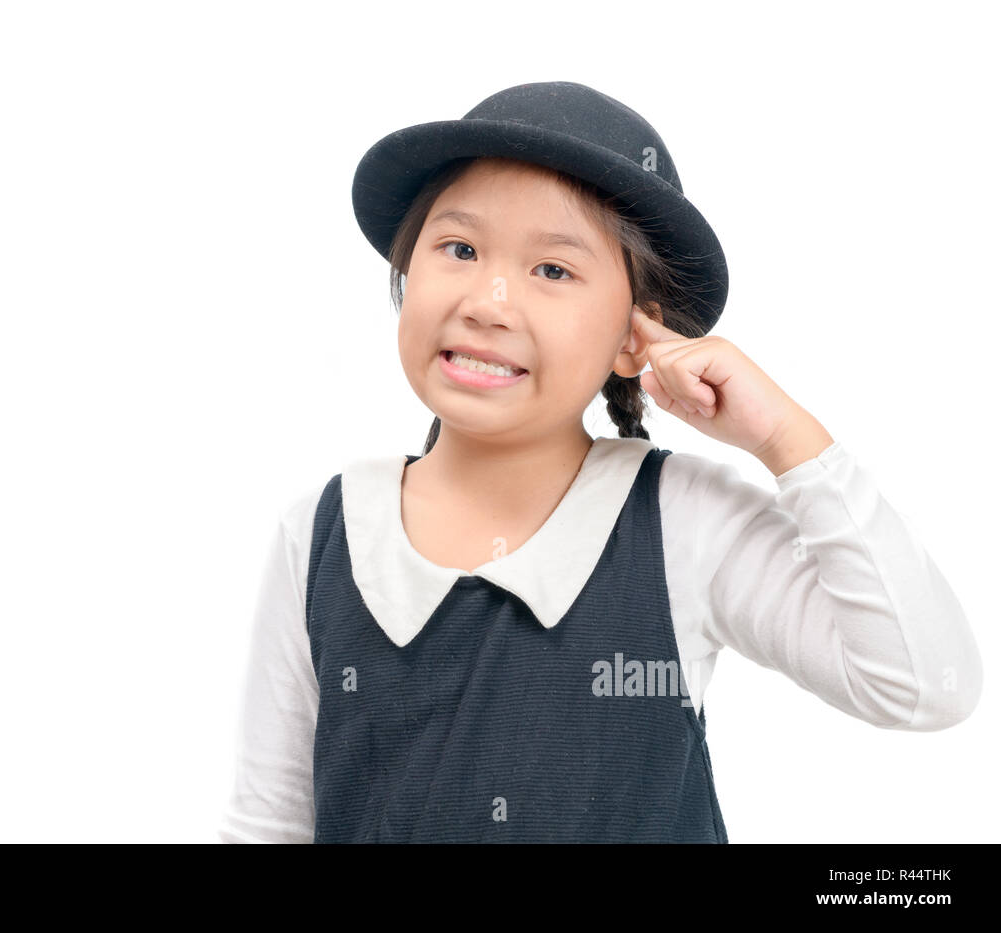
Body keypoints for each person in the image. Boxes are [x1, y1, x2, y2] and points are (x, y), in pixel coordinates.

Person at [217, 82, 984, 843]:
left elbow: (923, 684)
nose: (488, 300)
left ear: (633, 336)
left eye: (553, 269)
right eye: (459, 248)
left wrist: (783, 436)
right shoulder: (326, 534)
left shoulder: (680, 519)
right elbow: (269, 823)